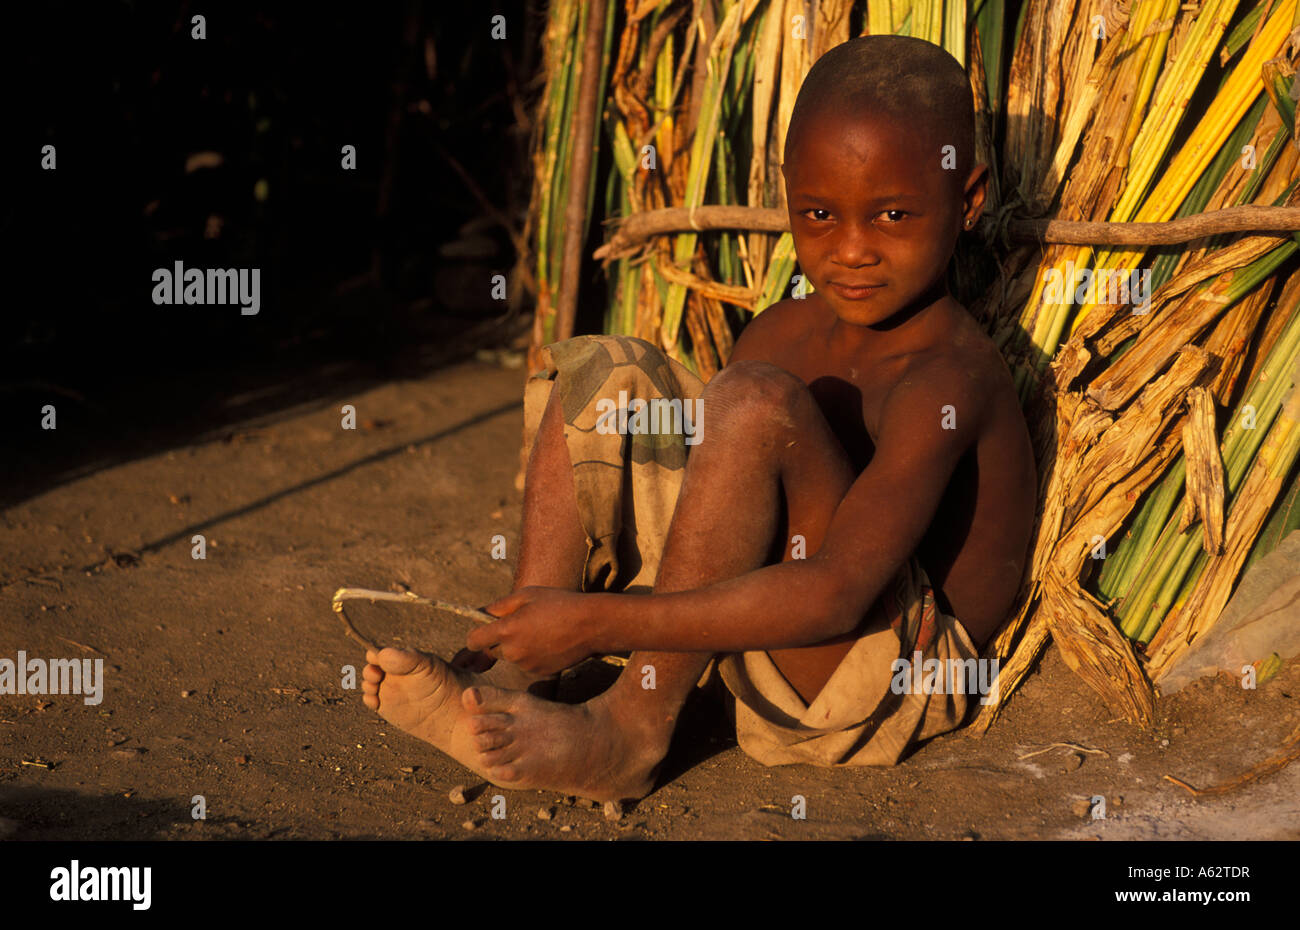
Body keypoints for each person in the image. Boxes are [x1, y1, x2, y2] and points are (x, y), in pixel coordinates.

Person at [361, 34, 1037, 803]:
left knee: (754, 401)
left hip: (876, 674)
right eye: (819, 213)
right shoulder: (784, 330)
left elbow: (839, 594)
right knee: (602, 369)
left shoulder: (952, 378)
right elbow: (718, 512)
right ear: (788, 194)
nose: (852, 249)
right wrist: (592, 606)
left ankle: (629, 732)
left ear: (969, 199)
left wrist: (599, 623)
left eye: (891, 215)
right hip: (767, 623)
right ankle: (513, 672)